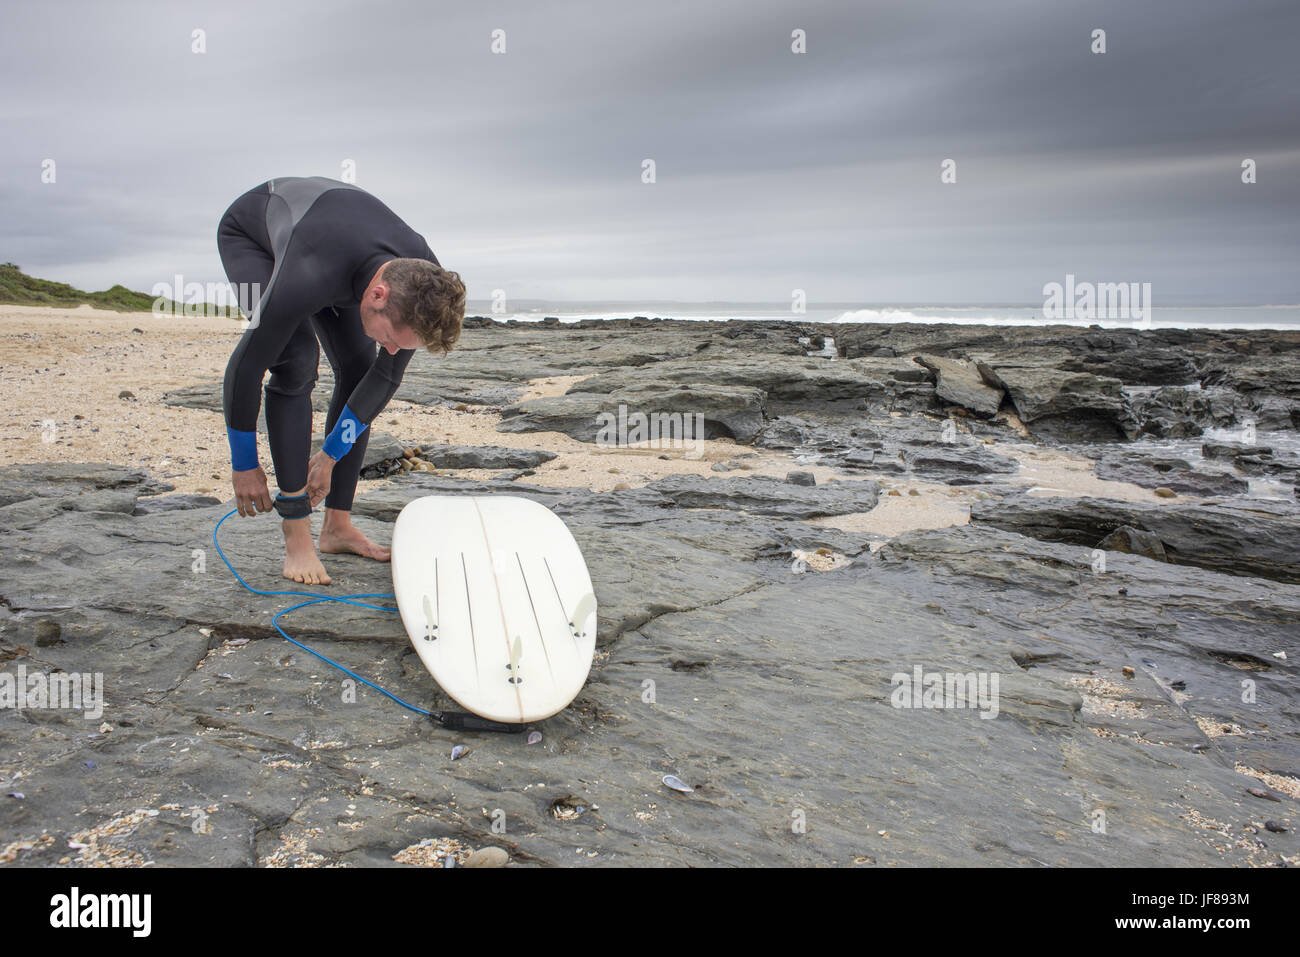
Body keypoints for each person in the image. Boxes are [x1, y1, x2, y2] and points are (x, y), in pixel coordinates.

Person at [216, 176, 465, 584]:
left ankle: (336, 527)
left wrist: (330, 456)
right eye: (390, 336)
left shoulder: (423, 277)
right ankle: (296, 534)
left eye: (401, 345)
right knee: (295, 360)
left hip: (342, 255)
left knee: (360, 363)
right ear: (378, 296)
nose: (392, 349)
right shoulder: (307, 273)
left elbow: (384, 378)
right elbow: (246, 365)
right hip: (254, 236)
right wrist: (244, 465)